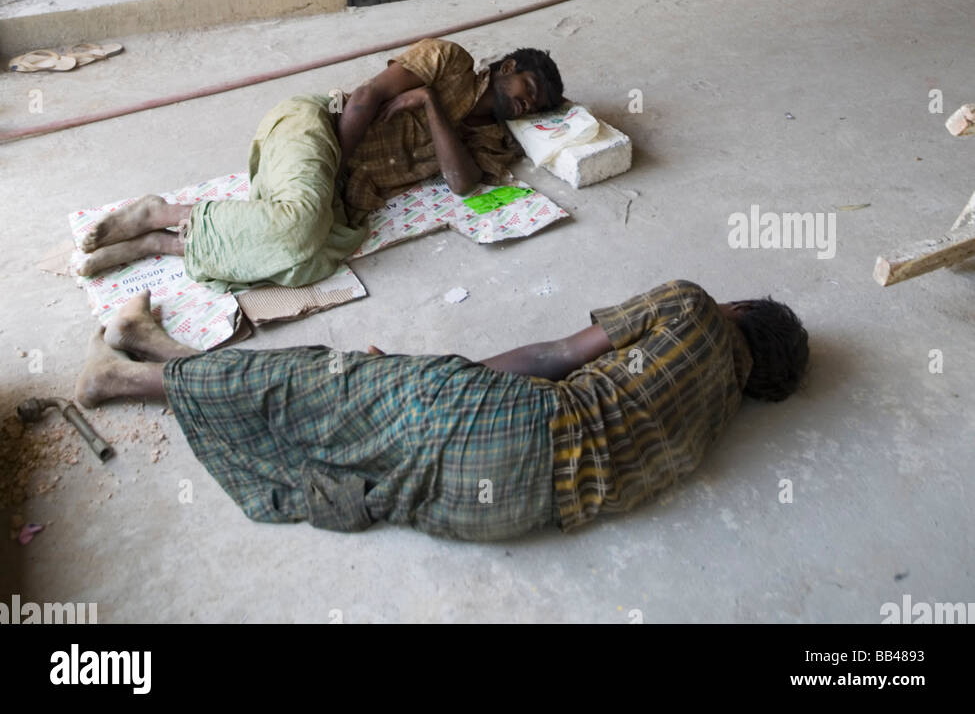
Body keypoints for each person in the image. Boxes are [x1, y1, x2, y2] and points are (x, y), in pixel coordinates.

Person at [75, 279, 809, 541]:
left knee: (320, 380)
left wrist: (416, 374)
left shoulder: (689, 307)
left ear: (736, 306)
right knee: (369, 447)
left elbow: (554, 355)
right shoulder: (717, 424)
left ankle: (123, 374)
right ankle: (159, 349)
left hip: (510, 422)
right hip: (501, 512)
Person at [77, 39, 563, 291]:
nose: (527, 106)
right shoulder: (449, 60)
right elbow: (366, 99)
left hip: (349, 192)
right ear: (506, 70)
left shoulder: (495, 142)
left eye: (536, 108)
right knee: (301, 226)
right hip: (315, 129)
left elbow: (460, 185)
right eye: (530, 92)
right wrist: (327, 178)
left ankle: (156, 244)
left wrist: (430, 104)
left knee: (304, 263)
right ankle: (157, 213)